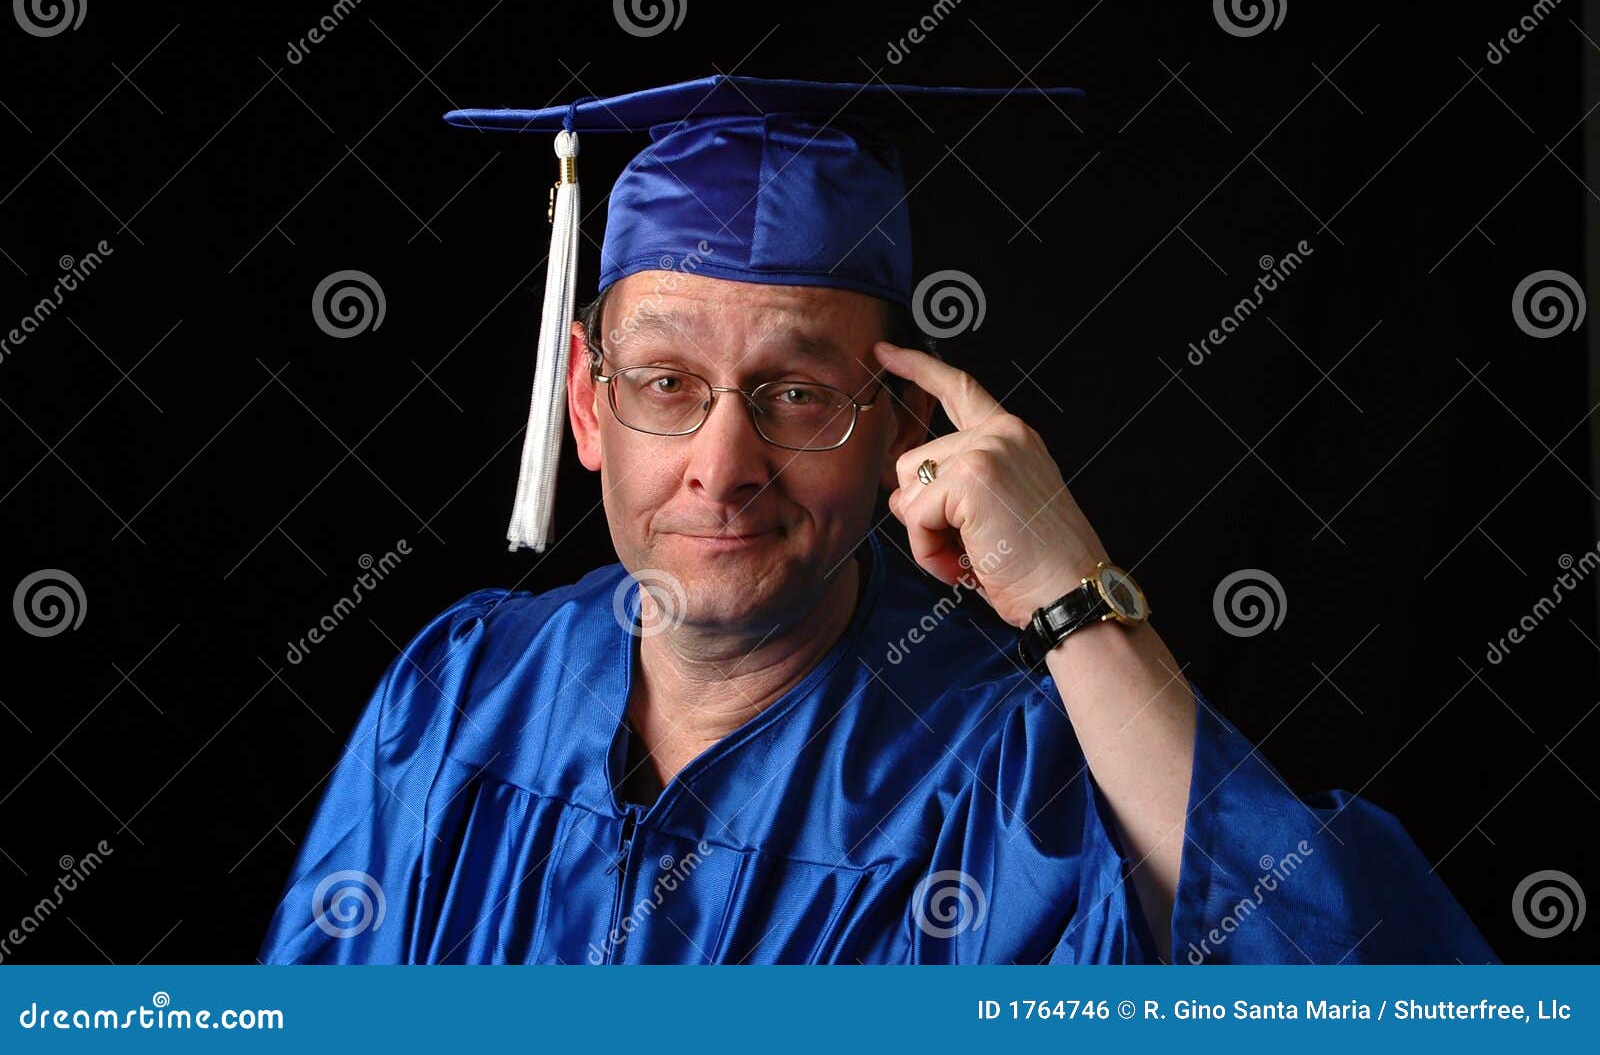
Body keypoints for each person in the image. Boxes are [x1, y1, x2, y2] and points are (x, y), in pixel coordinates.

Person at [259, 76, 1496, 964]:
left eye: (796, 392)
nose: (722, 466)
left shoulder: (1006, 778)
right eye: (666, 385)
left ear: (904, 422)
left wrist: (1075, 596)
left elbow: (1382, 996)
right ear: (587, 407)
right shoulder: (458, 692)